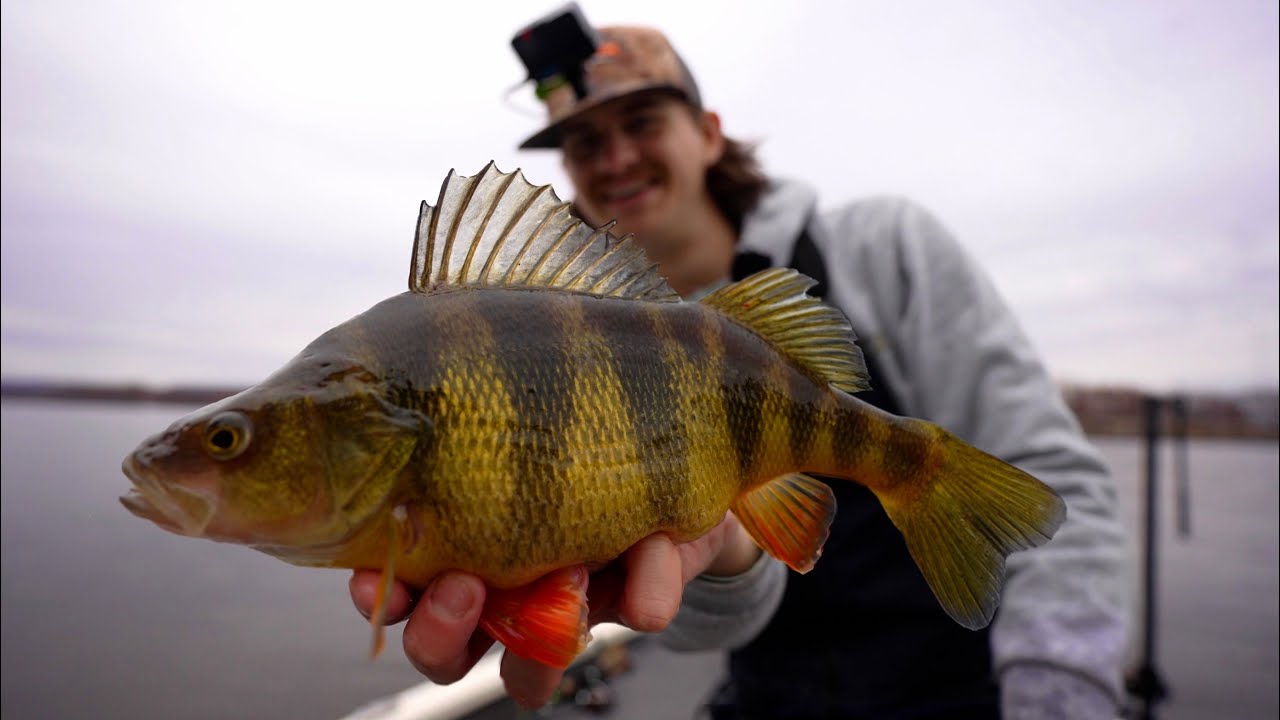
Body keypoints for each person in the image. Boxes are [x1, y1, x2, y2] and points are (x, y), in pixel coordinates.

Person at [351, 22, 1129, 719]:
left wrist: (1058, 696)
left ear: (709, 132)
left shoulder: (882, 247)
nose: (616, 158)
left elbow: (1061, 483)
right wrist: (725, 558)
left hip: (968, 693)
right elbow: (701, 621)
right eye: (584, 144)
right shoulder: (560, 343)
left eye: (642, 122)